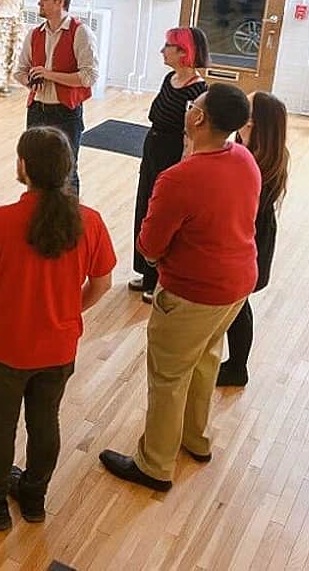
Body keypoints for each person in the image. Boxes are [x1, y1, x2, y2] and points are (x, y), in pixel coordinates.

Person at [99, 83, 258, 492]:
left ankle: (154, 465)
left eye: (195, 105)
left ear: (199, 119)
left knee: (168, 377)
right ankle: (195, 439)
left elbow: (149, 245)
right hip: (236, 286)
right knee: (205, 360)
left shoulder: (179, 178)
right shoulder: (244, 159)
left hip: (193, 292)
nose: (190, 108)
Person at [0, 127, 116, 530]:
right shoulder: (90, 222)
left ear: (23, 166)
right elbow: (102, 284)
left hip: (5, 346)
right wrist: (68, 311)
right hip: (58, 347)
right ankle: (33, 496)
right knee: (45, 421)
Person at [130, 27, 210, 303]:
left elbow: (192, 134)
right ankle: (145, 270)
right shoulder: (169, 79)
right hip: (153, 148)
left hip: (172, 155)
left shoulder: (199, 90)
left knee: (162, 215)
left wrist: (183, 166)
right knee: (144, 208)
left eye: (168, 46)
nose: (162, 51)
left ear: (183, 52)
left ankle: (158, 278)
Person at [217, 92, 289, 387]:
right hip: (249, 238)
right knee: (238, 306)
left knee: (238, 305)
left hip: (250, 241)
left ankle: (237, 367)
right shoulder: (255, 152)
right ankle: (236, 365)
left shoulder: (259, 163)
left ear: (256, 123)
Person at [13, 0, 100, 196]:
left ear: (60, 1)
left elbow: (89, 77)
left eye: (44, 0)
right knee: (33, 169)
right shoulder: (34, 34)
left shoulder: (80, 33)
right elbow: (19, 71)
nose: (39, 4)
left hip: (66, 112)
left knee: (67, 169)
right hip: (37, 110)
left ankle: (69, 223)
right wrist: (31, 81)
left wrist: (48, 75)